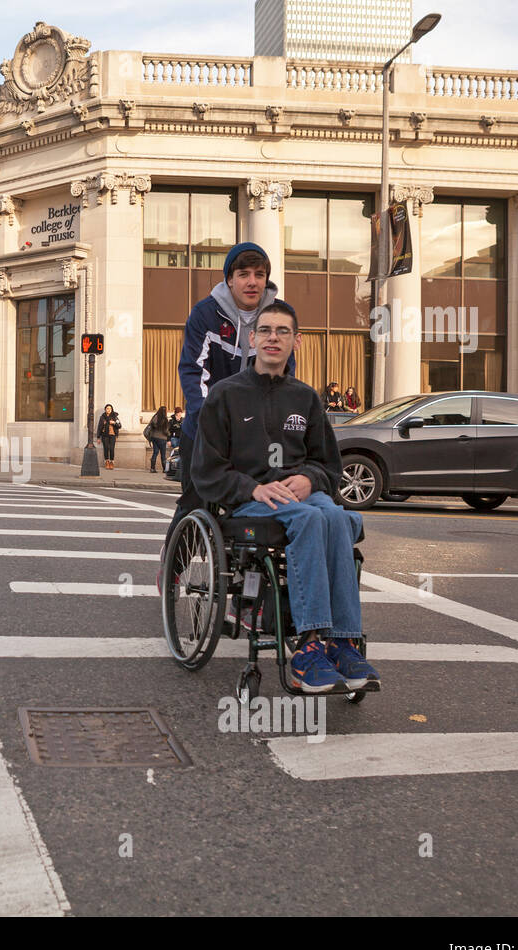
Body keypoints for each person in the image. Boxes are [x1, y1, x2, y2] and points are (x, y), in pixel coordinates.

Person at [191, 301, 380, 694]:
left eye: (282, 331)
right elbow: (206, 471)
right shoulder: (225, 396)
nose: (272, 337)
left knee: (341, 518)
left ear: (296, 341)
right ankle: (309, 648)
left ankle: (343, 642)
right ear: (252, 337)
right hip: (249, 502)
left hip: (301, 498)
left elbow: (328, 464)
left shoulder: (306, 398)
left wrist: (310, 479)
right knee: (312, 519)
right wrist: (252, 487)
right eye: (265, 330)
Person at [166, 242, 294, 542]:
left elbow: (284, 375)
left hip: (257, 431)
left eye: (259, 275)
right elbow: (193, 371)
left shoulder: (278, 315)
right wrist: (210, 419)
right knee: (196, 501)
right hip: (205, 428)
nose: (252, 282)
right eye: (244, 274)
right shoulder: (205, 313)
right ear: (229, 279)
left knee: (270, 496)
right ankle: (174, 565)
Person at [144, 406, 169, 473]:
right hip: (162, 438)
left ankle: (152, 468)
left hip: (154, 437)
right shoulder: (165, 419)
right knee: (163, 454)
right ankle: (164, 469)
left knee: (155, 452)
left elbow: (151, 426)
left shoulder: (155, 417)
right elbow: (166, 431)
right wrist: (168, 434)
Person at [96, 404, 121, 469]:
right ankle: (107, 461)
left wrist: (114, 423)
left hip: (113, 435)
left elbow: (119, 425)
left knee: (112, 449)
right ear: (105, 409)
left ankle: (112, 462)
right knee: (106, 448)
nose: (109, 410)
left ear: (112, 409)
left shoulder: (115, 416)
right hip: (105, 435)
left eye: (110, 408)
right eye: (107, 408)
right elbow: (99, 427)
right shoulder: (102, 417)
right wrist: (98, 437)